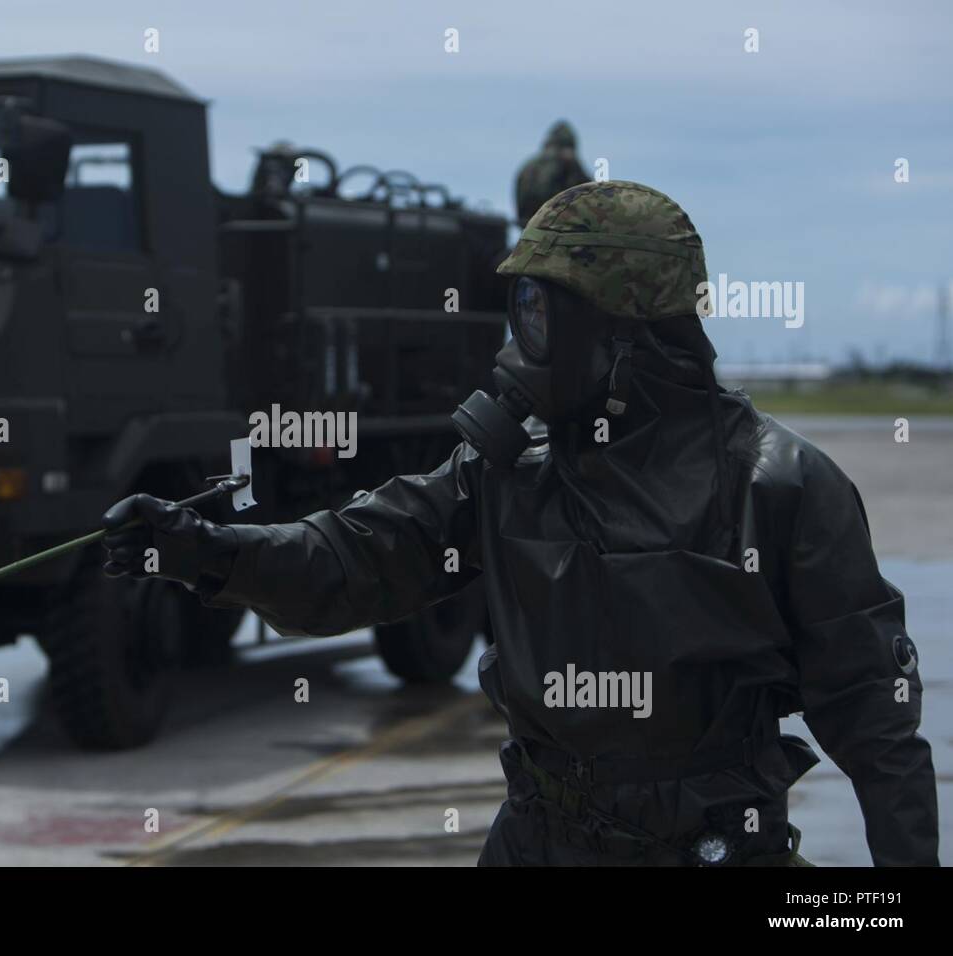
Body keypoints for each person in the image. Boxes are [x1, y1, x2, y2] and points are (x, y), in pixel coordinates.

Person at [101, 180, 939, 866]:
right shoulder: (508, 471)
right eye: (521, 308)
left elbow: (876, 725)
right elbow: (355, 557)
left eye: (547, 314)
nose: (524, 339)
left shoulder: (780, 488)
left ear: (627, 334)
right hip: (540, 844)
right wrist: (204, 552)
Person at [514, 120, 591, 227]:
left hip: (529, 227)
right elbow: (591, 192)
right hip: (554, 226)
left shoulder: (529, 165)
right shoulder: (564, 163)